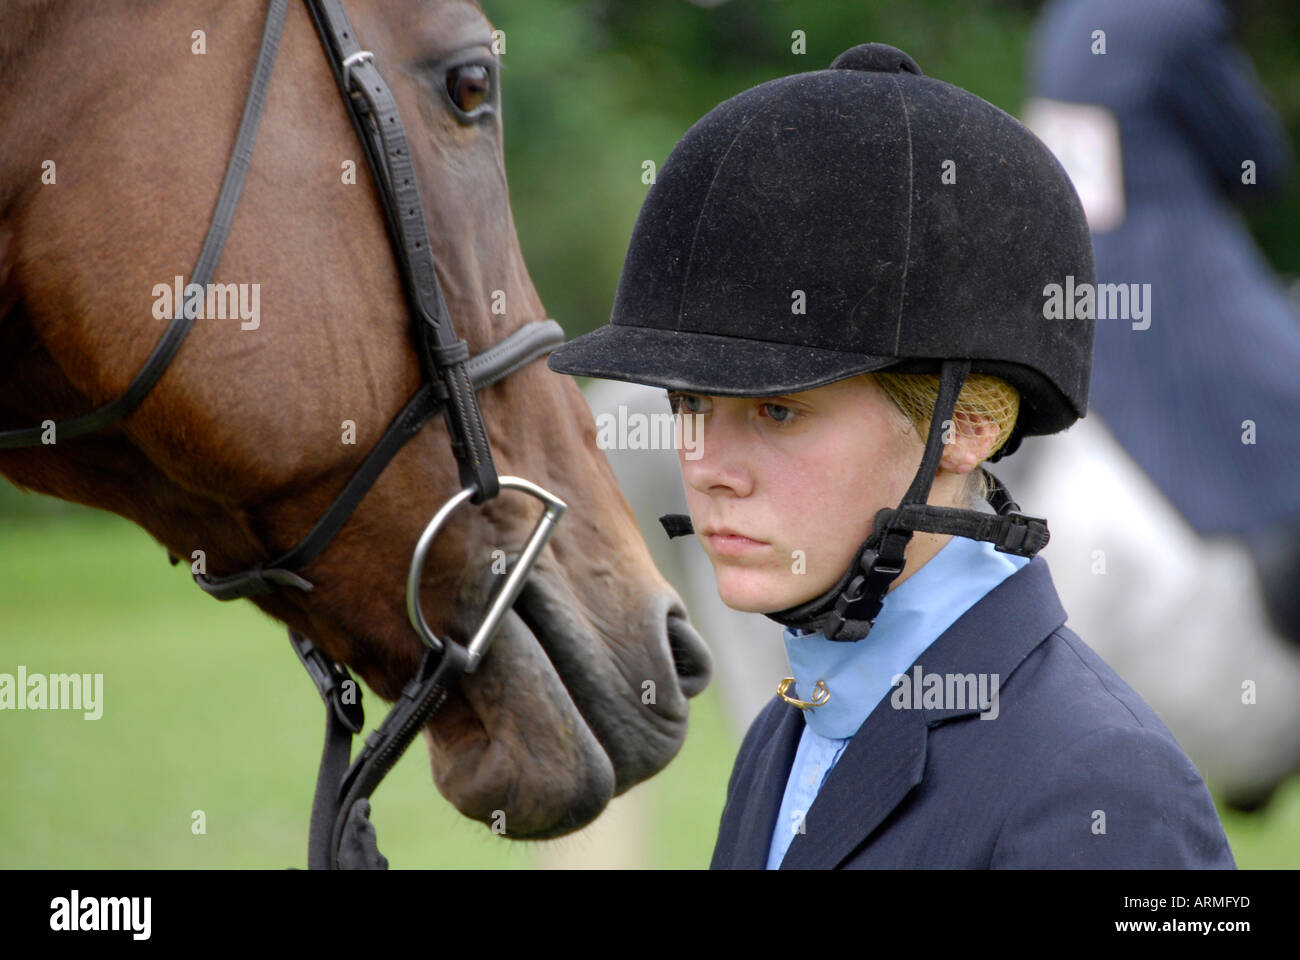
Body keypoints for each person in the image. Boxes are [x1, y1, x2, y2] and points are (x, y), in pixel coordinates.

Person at [548, 43, 1235, 868]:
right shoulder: (784, 733)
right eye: (691, 405)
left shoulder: (1106, 788)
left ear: (968, 426)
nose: (706, 466)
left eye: (777, 410)